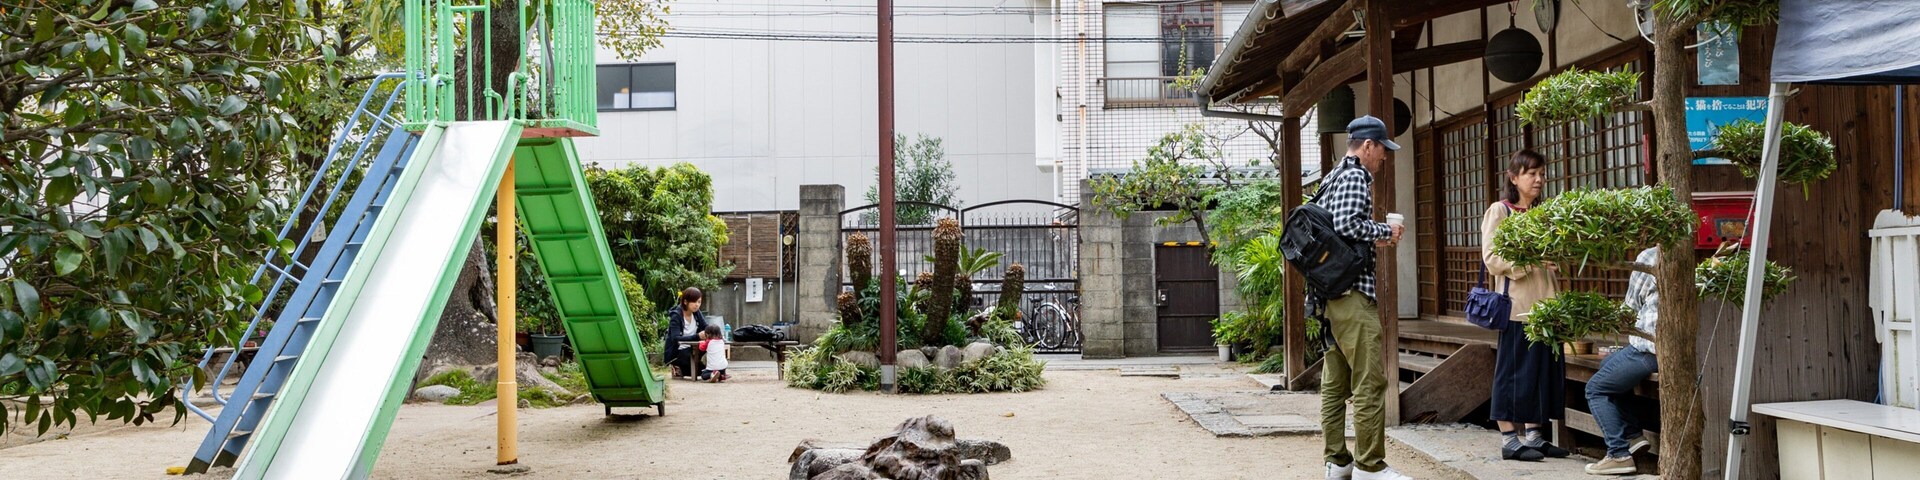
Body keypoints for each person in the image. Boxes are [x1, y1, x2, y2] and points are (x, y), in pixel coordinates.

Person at [1319, 115, 1415, 480]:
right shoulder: (1356, 175)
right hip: (1354, 295)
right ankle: (1369, 466)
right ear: (1368, 146)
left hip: (1330, 295)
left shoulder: (1331, 177)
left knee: (1335, 383)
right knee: (1370, 382)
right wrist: (1385, 230)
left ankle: (1337, 461)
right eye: (1382, 150)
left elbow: (1339, 234)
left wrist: (1375, 237)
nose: (1384, 157)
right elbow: (1346, 224)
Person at [1481, 149, 1570, 462]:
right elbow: (1492, 259)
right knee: (1512, 372)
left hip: (1547, 306)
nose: (1538, 179)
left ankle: (1534, 436)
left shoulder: (1543, 213)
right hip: (1518, 307)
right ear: (1513, 177)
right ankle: (1509, 439)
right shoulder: (1500, 211)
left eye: (1541, 173)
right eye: (1531, 173)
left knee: (1542, 372)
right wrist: (1533, 262)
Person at [1584, 246, 1660, 475]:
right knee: (1607, 366)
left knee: (1595, 389)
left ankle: (1618, 455)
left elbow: (1631, 306)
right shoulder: (1706, 256)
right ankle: (1632, 435)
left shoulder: (1650, 256)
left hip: (1649, 349)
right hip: (1651, 347)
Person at [663, 287, 709, 379]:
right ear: (685, 302)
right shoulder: (676, 316)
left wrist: (712, 333)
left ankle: (682, 370)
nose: (697, 305)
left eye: (699, 302)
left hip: (693, 349)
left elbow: (705, 326)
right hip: (678, 352)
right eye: (694, 302)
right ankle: (676, 366)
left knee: (711, 346)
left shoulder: (696, 313)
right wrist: (697, 336)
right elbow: (675, 338)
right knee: (701, 371)